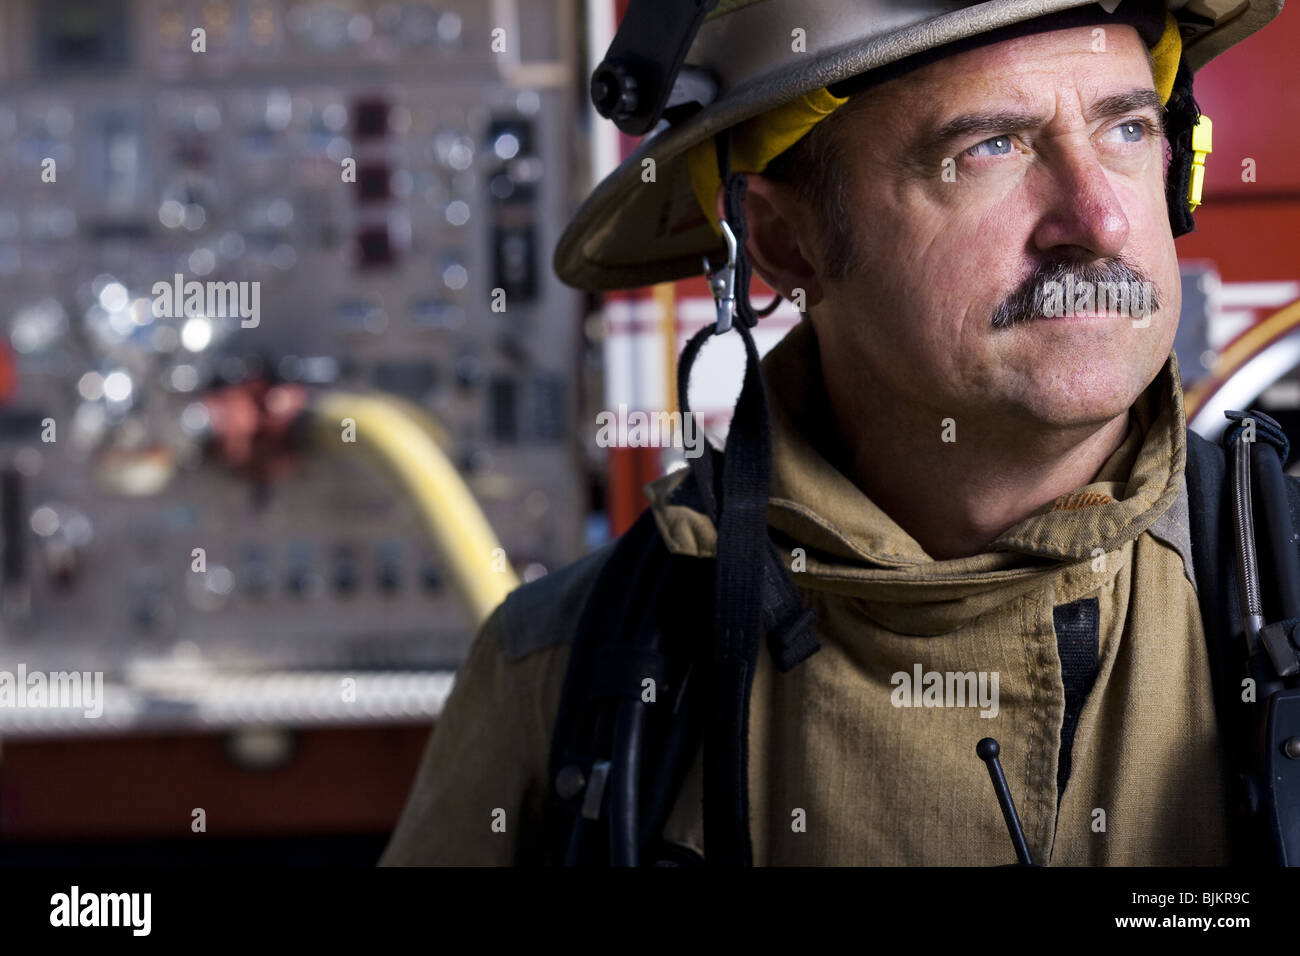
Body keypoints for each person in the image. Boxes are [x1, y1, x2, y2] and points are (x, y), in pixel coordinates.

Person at [380, 0, 1286, 866]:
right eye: (989, 147)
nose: (1103, 220)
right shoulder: (565, 672)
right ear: (784, 240)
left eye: (1126, 130)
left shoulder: (1277, 588)